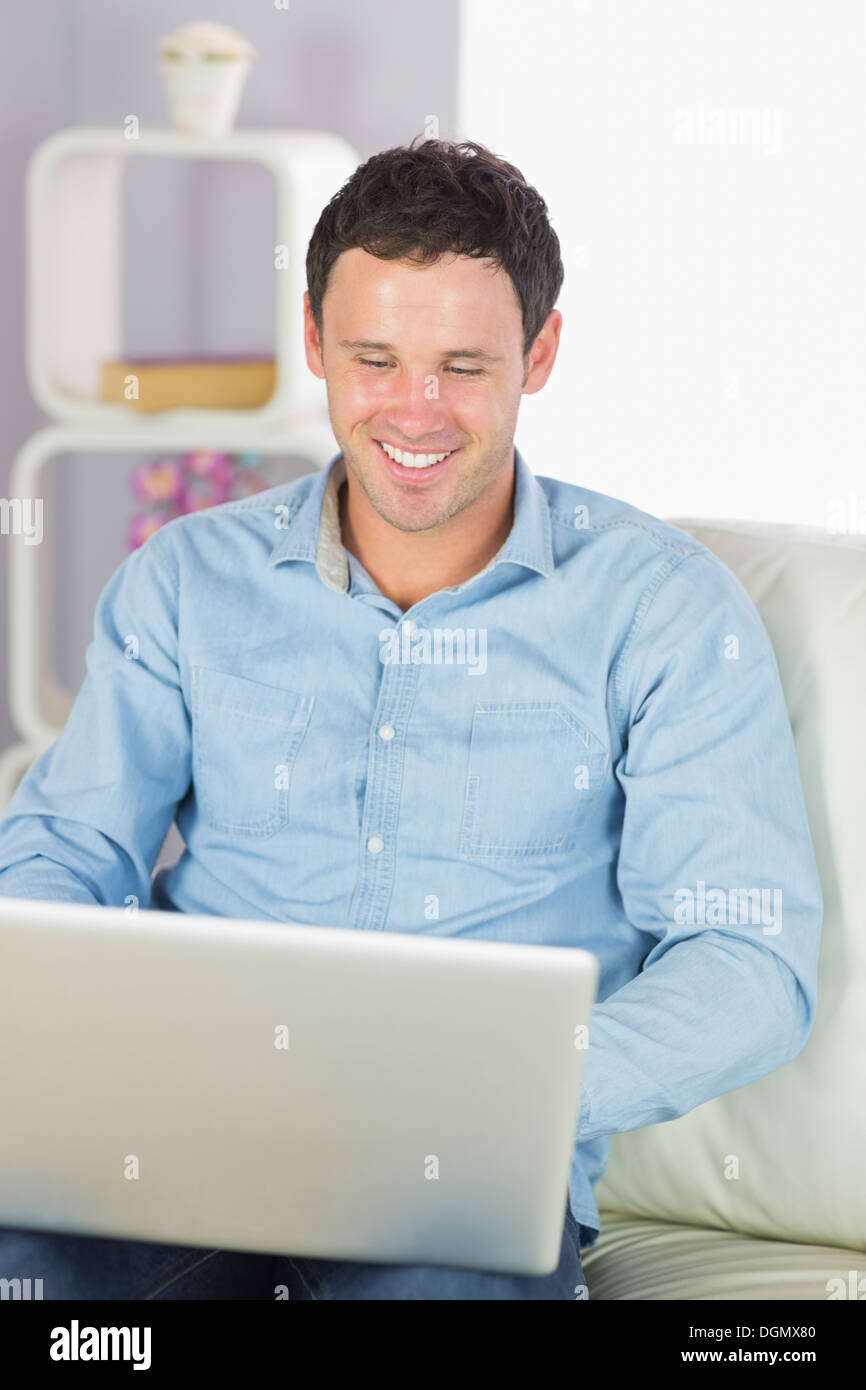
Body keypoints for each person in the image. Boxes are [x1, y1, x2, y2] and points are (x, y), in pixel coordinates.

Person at [0, 138, 822, 1301]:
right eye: (374, 358)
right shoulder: (186, 579)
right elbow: (64, 856)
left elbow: (746, 961)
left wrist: (509, 1089)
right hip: (177, 1152)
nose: (413, 411)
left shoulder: (665, 612)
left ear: (538, 352)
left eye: (461, 366)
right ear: (312, 342)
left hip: (459, 1186)